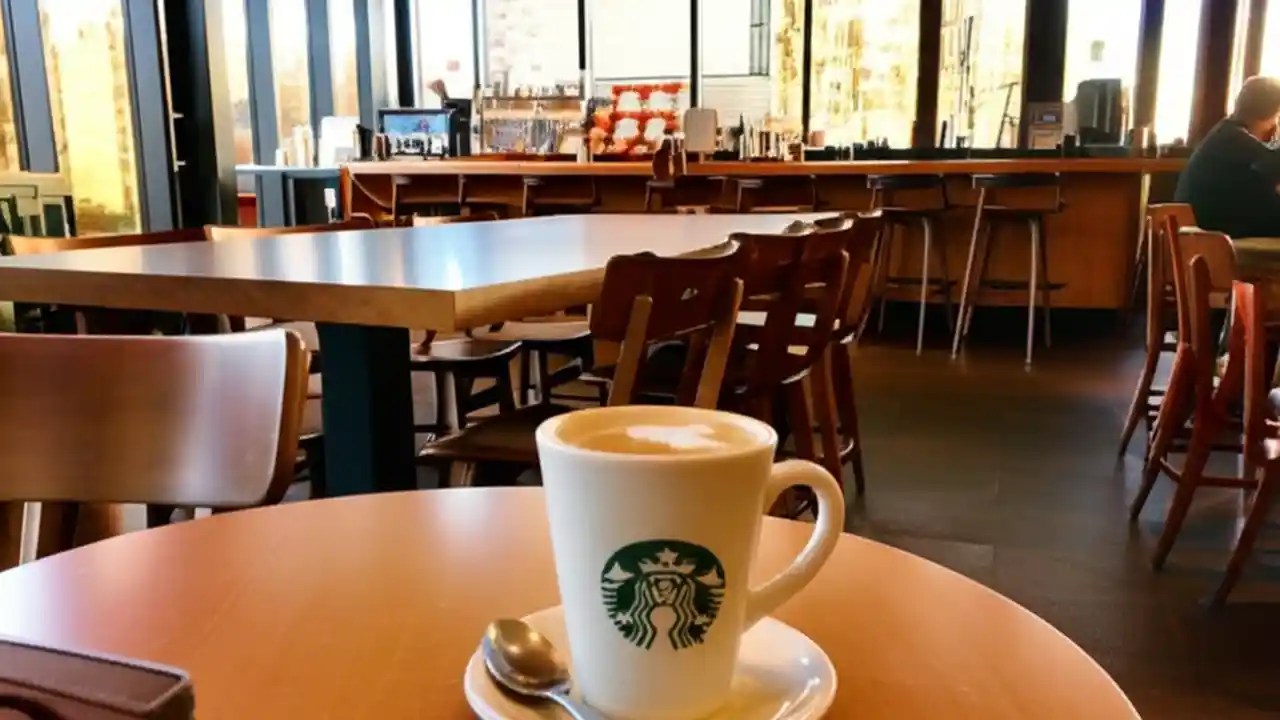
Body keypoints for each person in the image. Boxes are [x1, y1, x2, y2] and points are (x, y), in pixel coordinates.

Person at [1175, 75, 1280, 239]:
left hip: (1207, 232)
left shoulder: (1225, 134)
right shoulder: (1233, 138)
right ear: (1271, 114)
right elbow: (1275, 164)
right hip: (1214, 238)